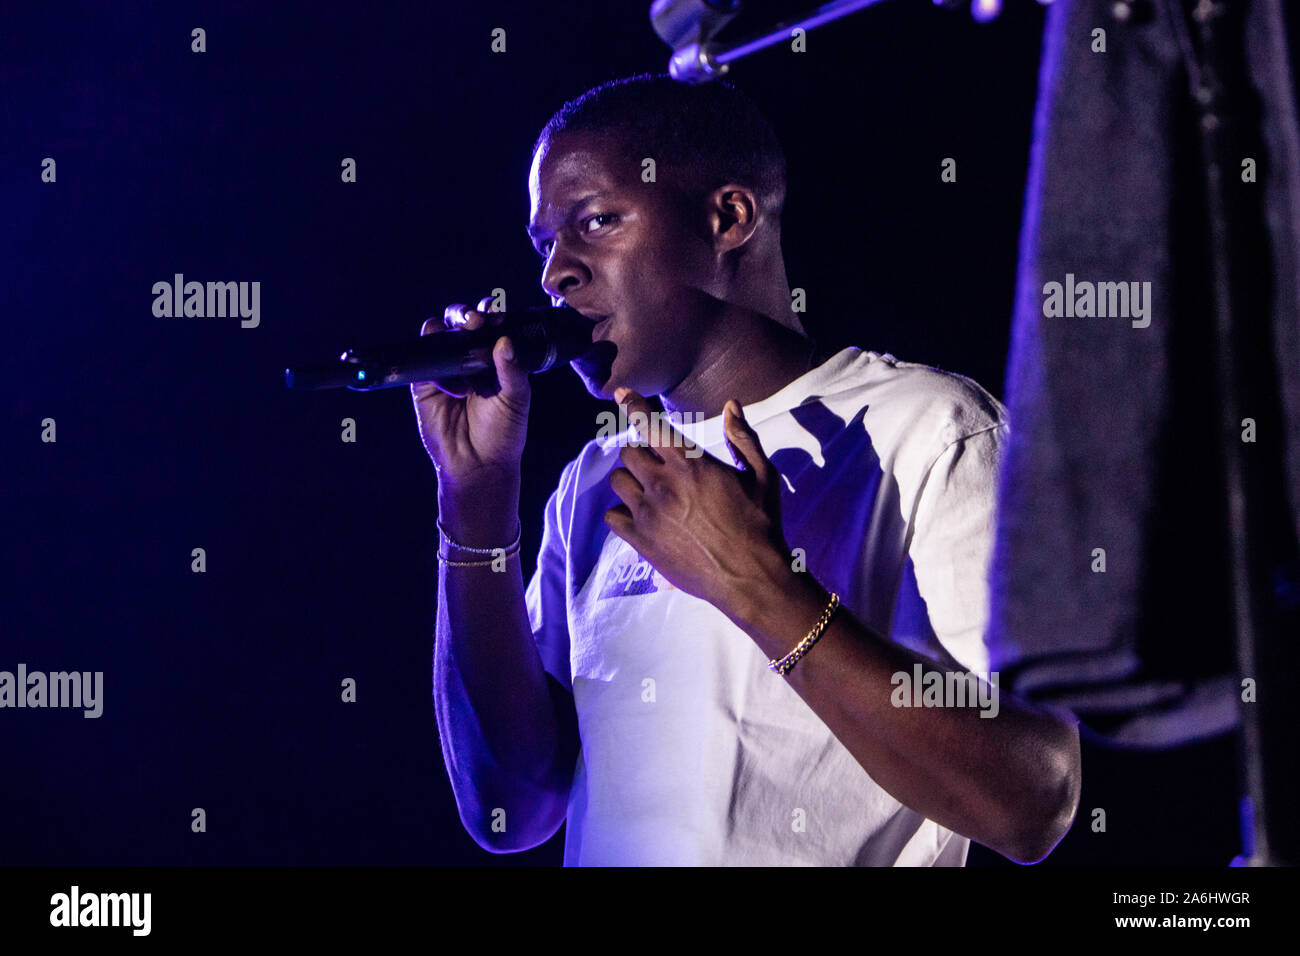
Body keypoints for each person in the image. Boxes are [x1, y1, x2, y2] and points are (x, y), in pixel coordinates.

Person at [411, 73, 1080, 866]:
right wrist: (477, 506)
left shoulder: (932, 432)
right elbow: (509, 813)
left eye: (594, 222)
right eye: (545, 244)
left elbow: (1034, 801)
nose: (556, 272)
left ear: (727, 217)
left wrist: (757, 586)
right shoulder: (593, 485)